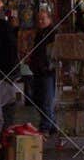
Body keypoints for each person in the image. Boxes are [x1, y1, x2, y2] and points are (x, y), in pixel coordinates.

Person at [25, 8, 59, 136]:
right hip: (37, 71)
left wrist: (46, 66)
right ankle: (53, 125)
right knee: (37, 99)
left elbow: (52, 53)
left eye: (43, 18)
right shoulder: (40, 33)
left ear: (49, 19)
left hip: (47, 72)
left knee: (45, 100)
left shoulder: (53, 33)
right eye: (39, 19)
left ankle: (45, 127)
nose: (40, 21)